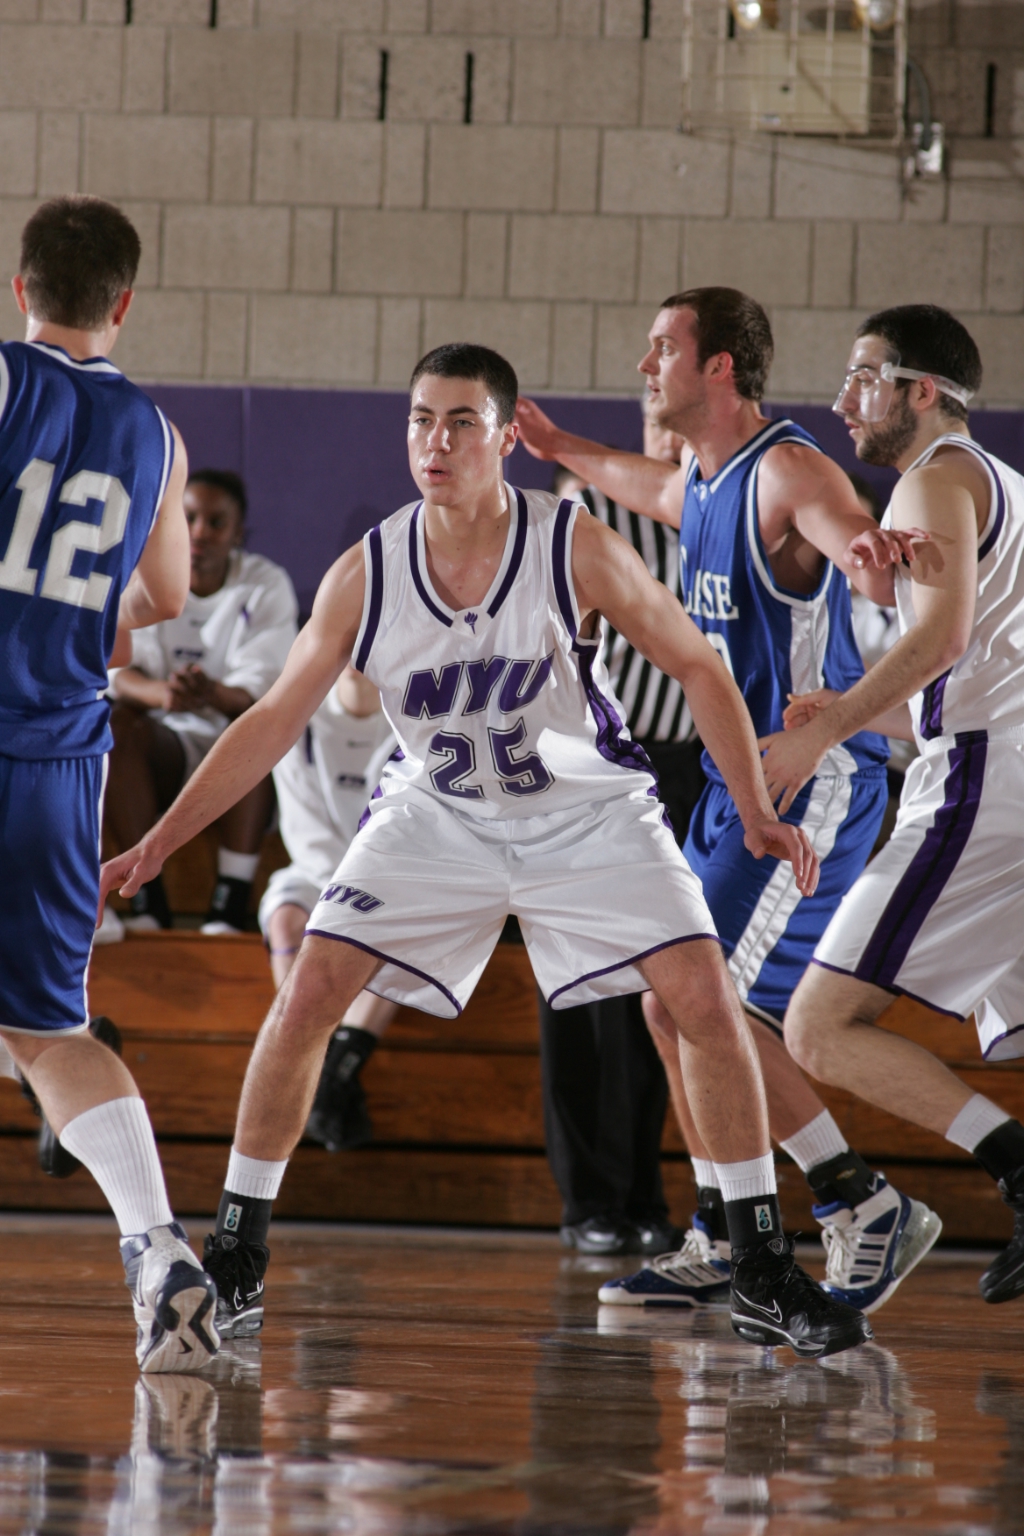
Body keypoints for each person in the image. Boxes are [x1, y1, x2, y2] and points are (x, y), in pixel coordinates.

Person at [103, 340, 872, 1362]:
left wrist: (756, 809)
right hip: (441, 813)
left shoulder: (573, 543)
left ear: (506, 438)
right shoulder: (365, 571)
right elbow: (272, 720)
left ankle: (763, 1266)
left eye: (462, 422)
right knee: (310, 989)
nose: (437, 440)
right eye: (422, 419)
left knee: (702, 994)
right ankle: (236, 1256)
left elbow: (698, 665)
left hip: (587, 810)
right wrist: (159, 839)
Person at [514, 287, 941, 1315]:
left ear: (718, 367)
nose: (643, 363)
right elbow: (645, 484)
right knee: (666, 1003)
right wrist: (558, 444)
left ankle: (859, 1199)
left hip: (807, 782)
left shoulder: (788, 469)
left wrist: (869, 556)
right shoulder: (703, 481)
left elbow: (857, 549)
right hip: (728, 784)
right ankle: (720, 1224)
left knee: (701, 1006)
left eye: (662, 347)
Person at [760, 304, 1024, 1308]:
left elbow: (944, 647)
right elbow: (965, 678)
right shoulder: (997, 486)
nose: (843, 399)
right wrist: (853, 713)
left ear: (922, 391)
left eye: (864, 377)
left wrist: (821, 731)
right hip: (997, 764)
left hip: (984, 782)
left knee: (818, 1026)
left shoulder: (934, 476)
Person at [0, 195, 218, 1372]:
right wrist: (75, 606)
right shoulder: (161, 436)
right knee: (50, 1030)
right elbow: (166, 596)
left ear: (20, 286)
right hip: (60, 756)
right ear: (123, 302)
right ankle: (160, 1250)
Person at [540, 409, 705, 1257]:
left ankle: (645, 1191)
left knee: (668, 995)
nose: (669, 436)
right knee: (584, 987)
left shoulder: (734, 508)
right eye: (657, 423)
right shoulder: (593, 507)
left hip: (696, 768)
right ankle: (590, 1198)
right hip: (601, 763)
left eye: (681, 424)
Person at [103, 470, 298, 937]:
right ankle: (145, 897)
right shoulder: (146, 571)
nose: (199, 533)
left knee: (259, 735)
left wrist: (211, 693)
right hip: (164, 744)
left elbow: (268, 692)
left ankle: (230, 902)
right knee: (116, 725)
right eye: (188, 518)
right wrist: (165, 694)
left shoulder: (265, 583)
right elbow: (116, 672)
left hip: (231, 742)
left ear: (238, 533)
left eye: (216, 522)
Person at [260, 663, 397, 1149]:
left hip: (390, 877)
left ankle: (330, 1072)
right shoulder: (300, 720)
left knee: (402, 929)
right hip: (316, 872)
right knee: (285, 919)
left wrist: (364, 895)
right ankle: (305, 1046)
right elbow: (306, 837)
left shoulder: (413, 720)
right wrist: (345, 902)